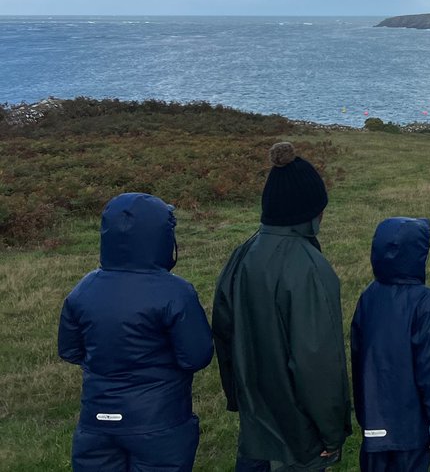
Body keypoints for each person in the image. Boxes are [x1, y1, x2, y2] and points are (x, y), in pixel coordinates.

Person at [213, 141, 352, 472]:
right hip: (297, 438)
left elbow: (223, 331)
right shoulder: (310, 269)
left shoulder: (242, 254)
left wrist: (239, 397)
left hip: (255, 426)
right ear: (310, 212)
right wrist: (332, 433)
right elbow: (316, 361)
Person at [58, 192, 213, 472]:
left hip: (96, 420)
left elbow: (69, 350)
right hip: (159, 421)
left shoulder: (84, 288)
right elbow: (196, 356)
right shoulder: (176, 291)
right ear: (162, 236)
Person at [351, 217, 430, 472]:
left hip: (373, 419)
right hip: (411, 426)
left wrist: (364, 414)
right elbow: (429, 365)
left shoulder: (368, 296)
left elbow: (358, 357)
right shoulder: (426, 301)